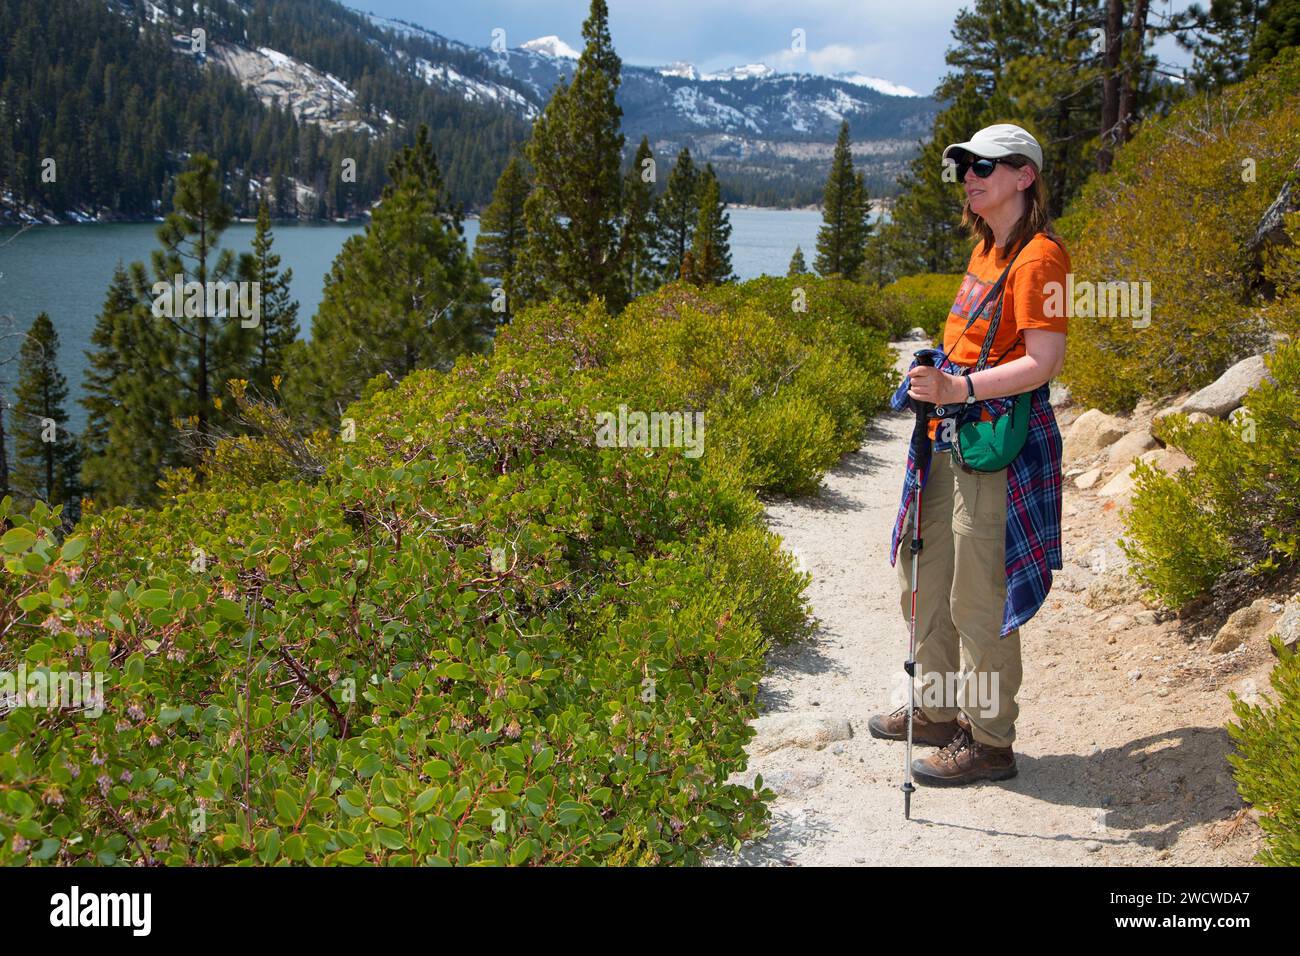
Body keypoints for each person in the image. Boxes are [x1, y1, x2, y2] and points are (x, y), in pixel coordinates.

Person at [868, 123, 1070, 786]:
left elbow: (1043, 363)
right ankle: (934, 709)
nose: (971, 176)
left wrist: (958, 386)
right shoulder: (986, 249)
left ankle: (988, 741)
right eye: (965, 166)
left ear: (1025, 176)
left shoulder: (1043, 258)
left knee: (978, 595)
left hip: (992, 445)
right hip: (947, 436)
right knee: (921, 573)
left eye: (988, 165)